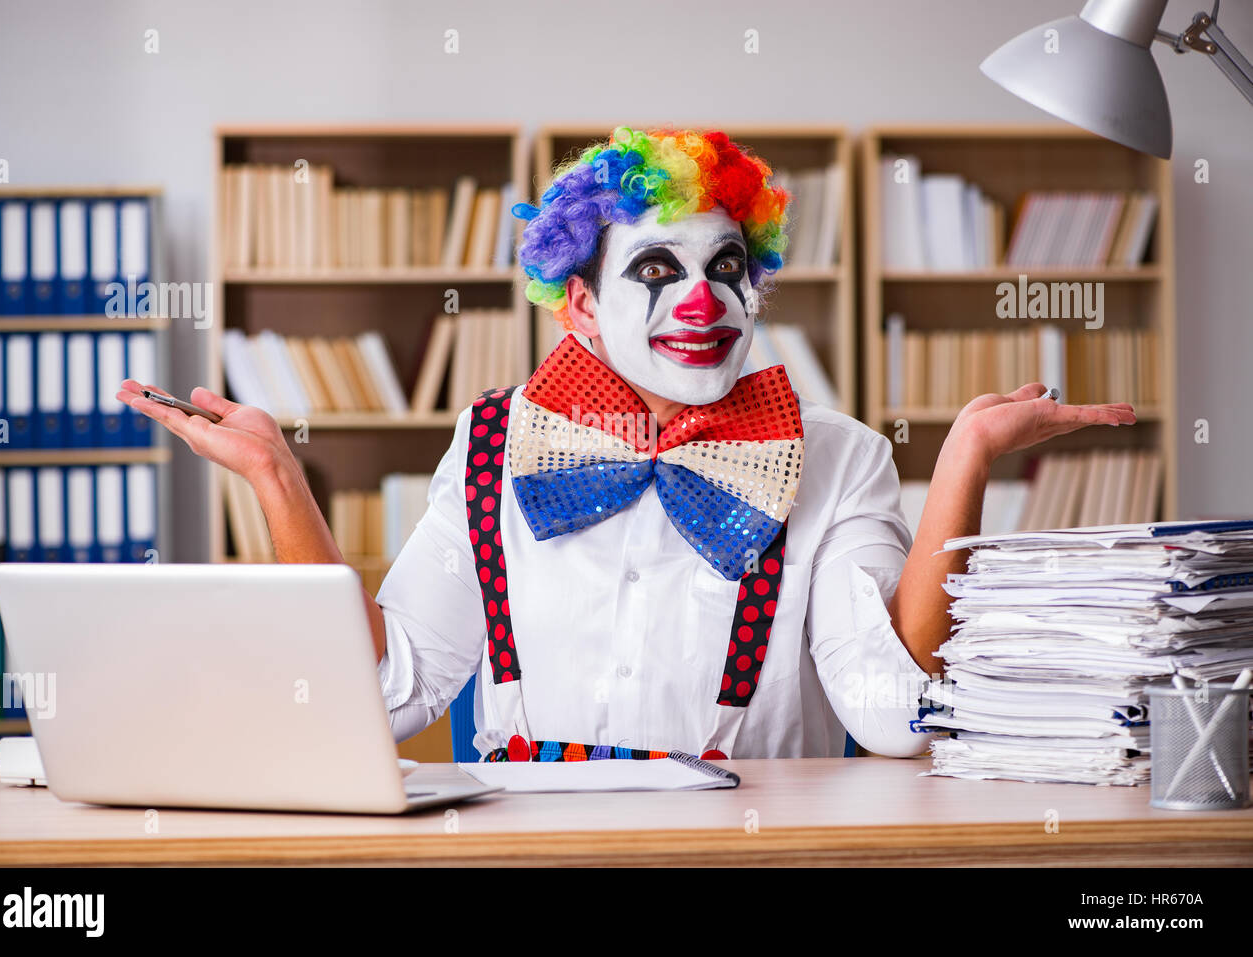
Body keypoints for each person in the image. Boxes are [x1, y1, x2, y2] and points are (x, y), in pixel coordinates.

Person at [118, 126, 1135, 761]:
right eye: (654, 270)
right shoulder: (488, 444)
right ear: (580, 307)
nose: (702, 300)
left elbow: (890, 718)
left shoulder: (840, 455)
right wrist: (277, 478)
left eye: (727, 265)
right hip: (526, 854)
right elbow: (383, 700)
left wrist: (960, 458)